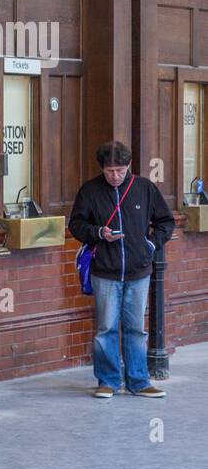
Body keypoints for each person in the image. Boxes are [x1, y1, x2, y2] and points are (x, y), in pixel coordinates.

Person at [68, 141, 174, 399]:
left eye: (119, 170)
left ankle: (138, 381)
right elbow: (76, 225)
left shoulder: (145, 189)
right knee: (106, 328)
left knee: (136, 328)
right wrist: (98, 233)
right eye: (109, 171)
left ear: (129, 166)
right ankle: (108, 381)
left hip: (139, 271)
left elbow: (165, 221)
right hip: (105, 271)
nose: (115, 176)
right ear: (102, 169)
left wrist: (149, 244)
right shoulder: (90, 191)